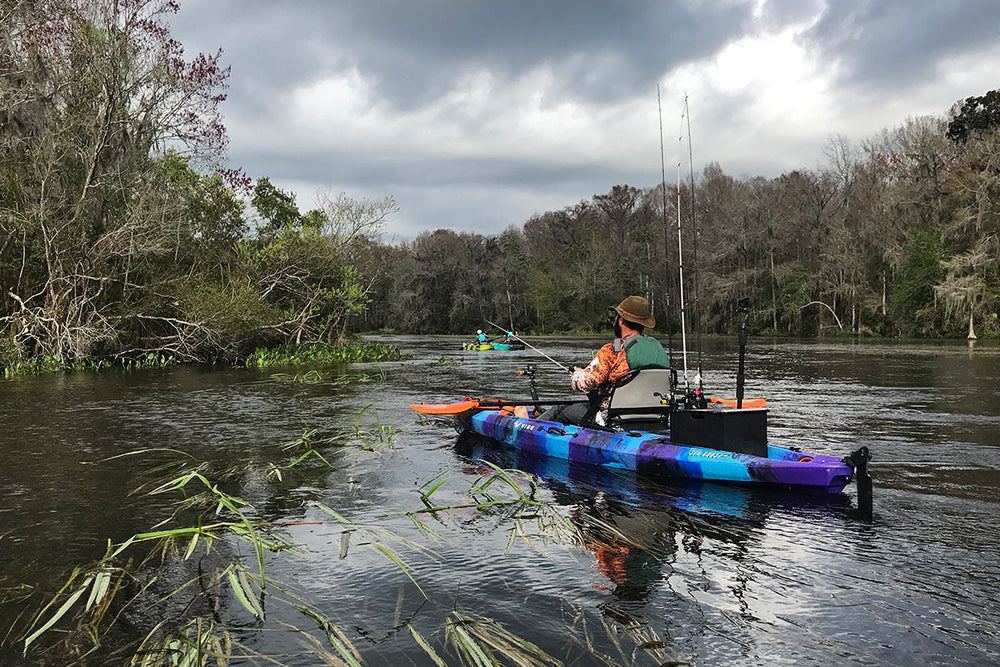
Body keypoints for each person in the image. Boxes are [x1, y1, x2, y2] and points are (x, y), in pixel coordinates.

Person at [542, 296, 670, 426]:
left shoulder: (611, 350)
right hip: (654, 417)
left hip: (611, 418)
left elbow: (586, 383)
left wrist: (577, 375)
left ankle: (526, 429)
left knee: (560, 410)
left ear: (621, 320)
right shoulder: (658, 349)